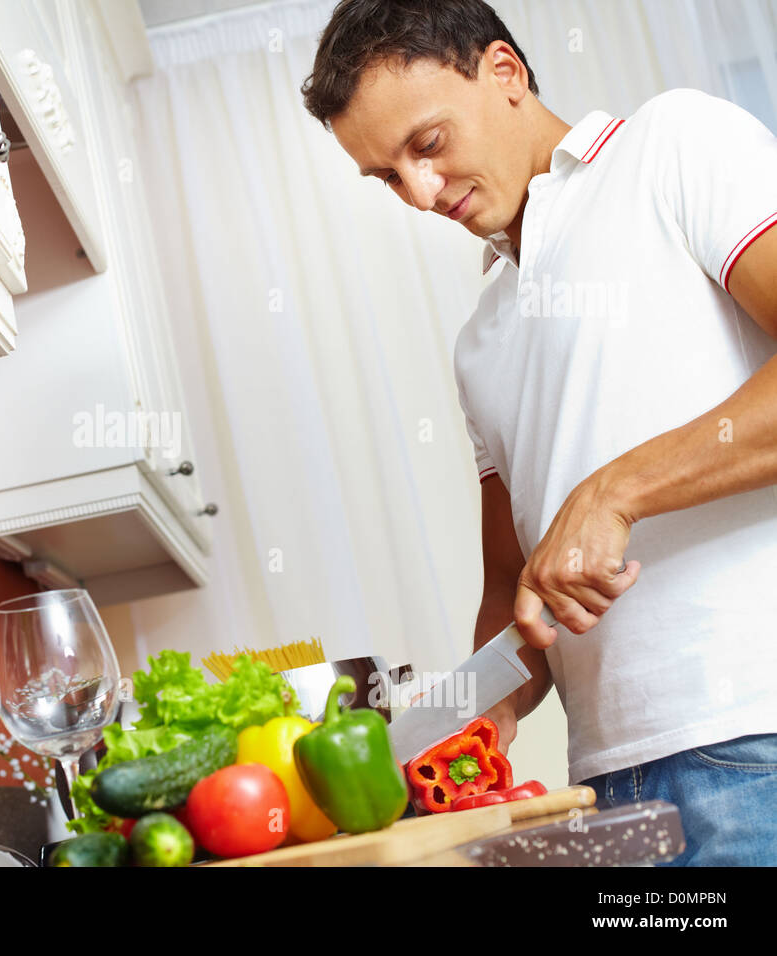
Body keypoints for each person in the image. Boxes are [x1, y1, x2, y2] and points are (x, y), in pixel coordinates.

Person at [301, 0, 777, 866]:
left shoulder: (673, 147)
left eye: (428, 144)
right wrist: (465, 717)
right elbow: (514, 585)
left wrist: (615, 491)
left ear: (506, 74)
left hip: (756, 742)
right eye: (385, 177)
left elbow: (594, 515)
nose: (418, 193)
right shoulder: (480, 340)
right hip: (604, 787)